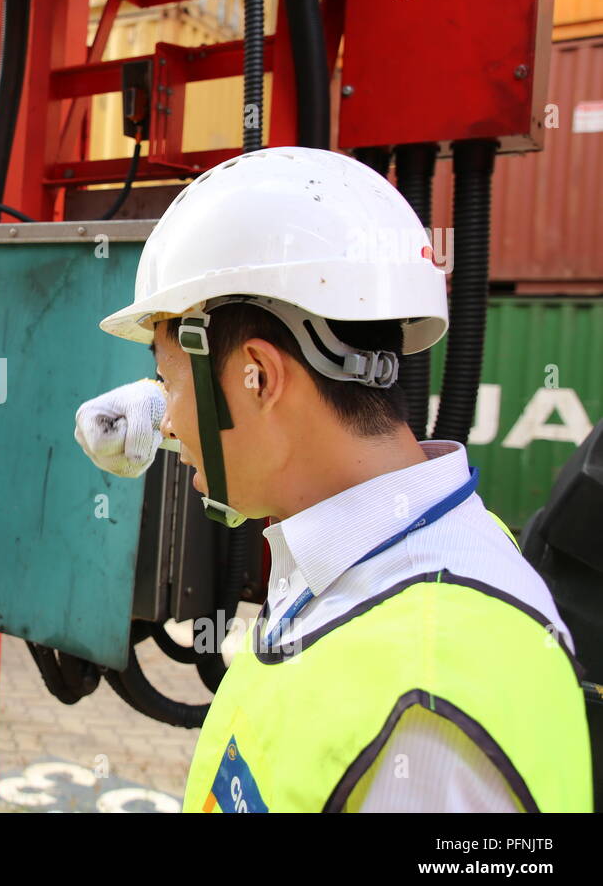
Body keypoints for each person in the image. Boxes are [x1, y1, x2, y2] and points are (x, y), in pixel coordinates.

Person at [75, 146, 591, 812]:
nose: (166, 424)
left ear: (260, 376)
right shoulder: (378, 553)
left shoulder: (427, 720)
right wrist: (178, 388)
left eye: (166, 381)